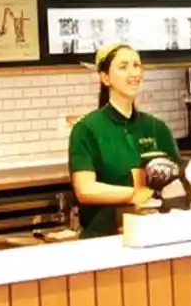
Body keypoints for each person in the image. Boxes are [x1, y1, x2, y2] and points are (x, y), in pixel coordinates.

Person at [68, 43, 180, 238]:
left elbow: (178, 182)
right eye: (123, 66)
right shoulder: (86, 129)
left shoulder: (157, 128)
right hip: (104, 240)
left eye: (137, 65)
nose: (133, 72)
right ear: (105, 78)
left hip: (157, 234)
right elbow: (85, 189)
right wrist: (135, 194)